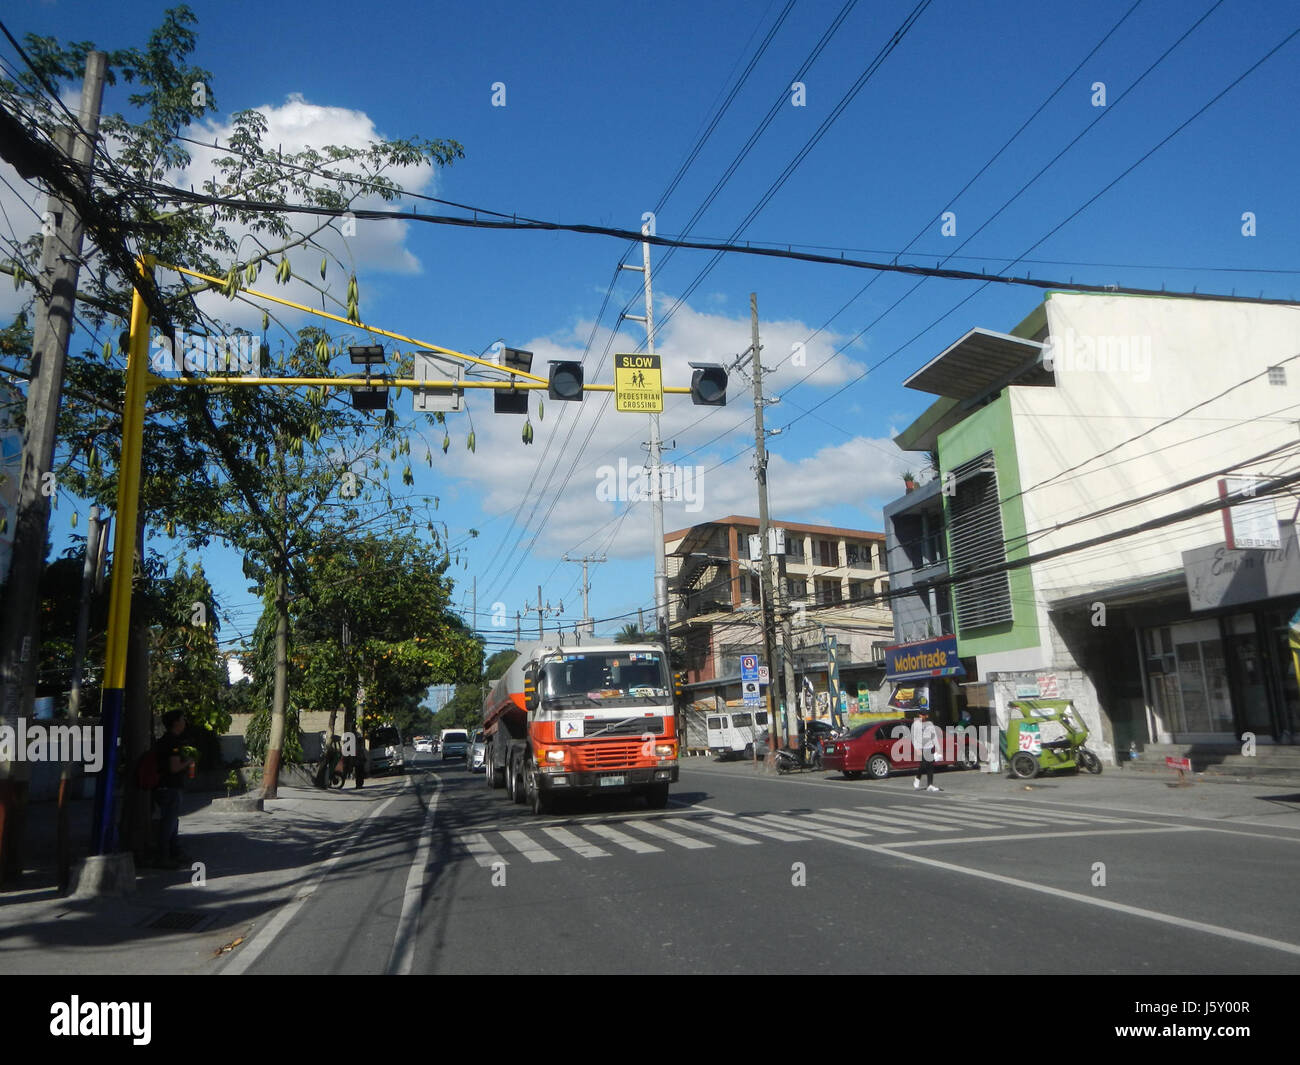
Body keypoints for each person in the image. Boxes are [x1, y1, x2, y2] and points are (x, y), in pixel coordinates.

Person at [153, 710, 195, 867]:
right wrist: (189, 761)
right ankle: (163, 856)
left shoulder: (165, 740)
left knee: (171, 821)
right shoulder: (172, 742)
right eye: (183, 719)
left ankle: (173, 852)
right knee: (168, 822)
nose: (185, 722)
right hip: (170, 786)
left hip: (164, 786)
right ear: (176, 722)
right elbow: (174, 767)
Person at [912, 709, 941, 792]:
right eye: (921, 715)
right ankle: (917, 778)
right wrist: (917, 748)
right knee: (923, 765)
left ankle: (930, 785)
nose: (922, 716)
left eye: (924, 715)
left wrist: (938, 748)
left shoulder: (930, 724)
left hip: (930, 747)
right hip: (921, 748)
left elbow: (934, 736)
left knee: (930, 766)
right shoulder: (916, 724)